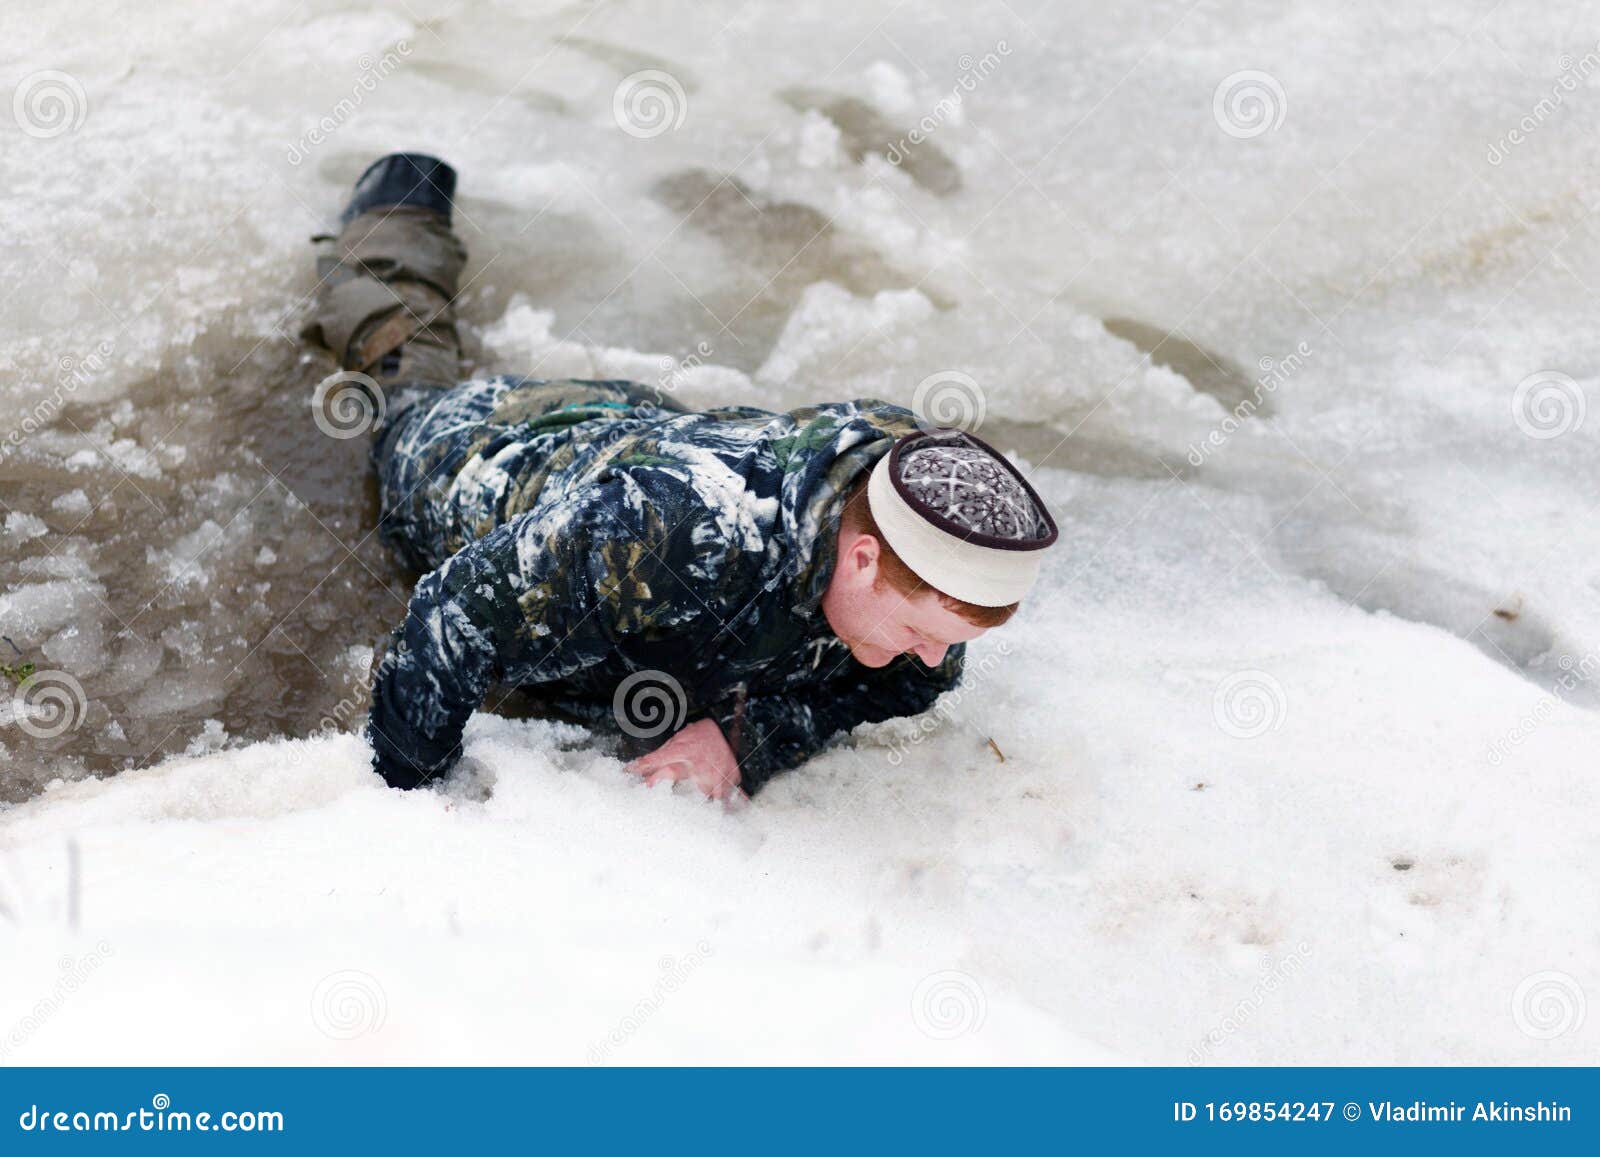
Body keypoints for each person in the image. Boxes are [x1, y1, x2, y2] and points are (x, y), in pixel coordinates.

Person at [302, 154, 1060, 800]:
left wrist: (741, 740)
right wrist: (406, 808)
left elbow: (910, 684)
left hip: (636, 437)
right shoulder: (666, 531)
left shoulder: (918, 545)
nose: (936, 658)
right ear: (861, 561)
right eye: (921, 634)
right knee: (404, 368)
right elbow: (452, 617)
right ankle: (399, 203)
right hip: (481, 459)